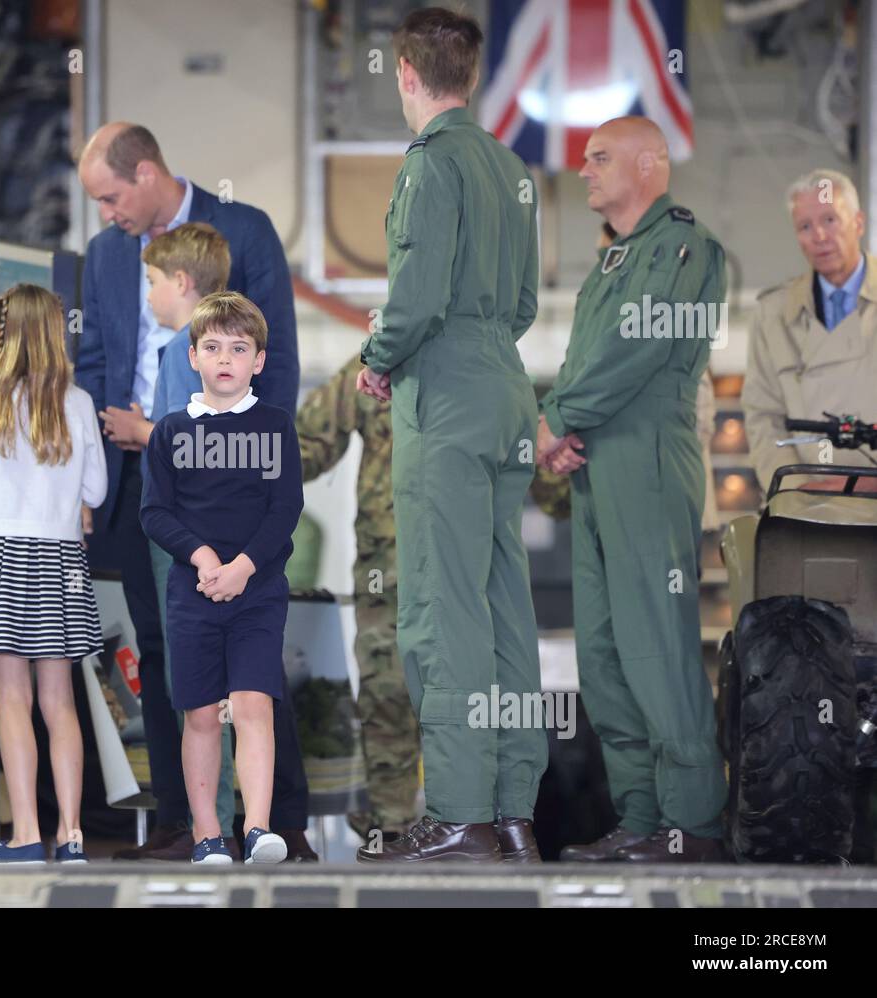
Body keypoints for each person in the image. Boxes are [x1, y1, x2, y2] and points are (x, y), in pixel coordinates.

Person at [76, 122, 311, 860]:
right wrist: (86, 468)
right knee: (163, 650)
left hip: (226, 480)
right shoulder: (105, 254)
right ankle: (187, 824)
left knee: (253, 659)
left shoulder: (244, 231)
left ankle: (279, 825)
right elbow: (90, 362)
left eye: (112, 197)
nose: (107, 214)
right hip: (138, 486)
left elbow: (277, 359)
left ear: (147, 173)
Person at [355, 7, 545, 863]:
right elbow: (528, 306)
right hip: (507, 389)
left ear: (406, 73)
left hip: (447, 398)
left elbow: (418, 296)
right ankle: (511, 811)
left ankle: (460, 814)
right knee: (506, 605)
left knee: (440, 607)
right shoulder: (511, 168)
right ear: (470, 74)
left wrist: (378, 352)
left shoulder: (429, 167)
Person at [538, 116, 728, 862]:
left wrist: (558, 416)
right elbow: (594, 362)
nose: (584, 170)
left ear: (651, 164)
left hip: (647, 465)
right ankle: (644, 822)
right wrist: (567, 436)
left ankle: (691, 826)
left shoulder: (685, 247)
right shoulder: (611, 265)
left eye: (601, 158)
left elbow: (639, 349)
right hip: (597, 469)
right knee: (607, 656)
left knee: (656, 649)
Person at [141, 291, 303, 864]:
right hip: (193, 592)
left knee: (254, 703)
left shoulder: (277, 428)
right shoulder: (170, 432)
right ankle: (209, 834)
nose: (225, 358)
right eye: (212, 347)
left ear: (259, 360)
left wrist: (244, 567)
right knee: (203, 713)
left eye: (239, 348)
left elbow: (284, 510)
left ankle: (257, 829)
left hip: (258, 592)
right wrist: (204, 558)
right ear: (192, 357)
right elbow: (154, 512)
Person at [0, 283, 107, 865]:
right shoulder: (80, 402)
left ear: (6, 334)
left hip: (2, 557)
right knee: (59, 703)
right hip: (63, 559)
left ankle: (23, 838)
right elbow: (96, 490)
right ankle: (72, 836)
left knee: (11, 700)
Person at [295, 354, 420, 839]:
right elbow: (310, 442)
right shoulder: (379, 357)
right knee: (386, 683)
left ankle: (467, 819)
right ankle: (391, 822)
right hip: (387, 557)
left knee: (464, 691)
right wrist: (241, 454)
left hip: (462, 552)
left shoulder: (480, 349)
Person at [741, 168, 877, 494]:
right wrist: (797, 489)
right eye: (805, 226)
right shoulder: (773, 313)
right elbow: (763, 418)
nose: (819, 236)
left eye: (830, 219)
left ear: (858, 222)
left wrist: (865, 485)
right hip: (806, 506)